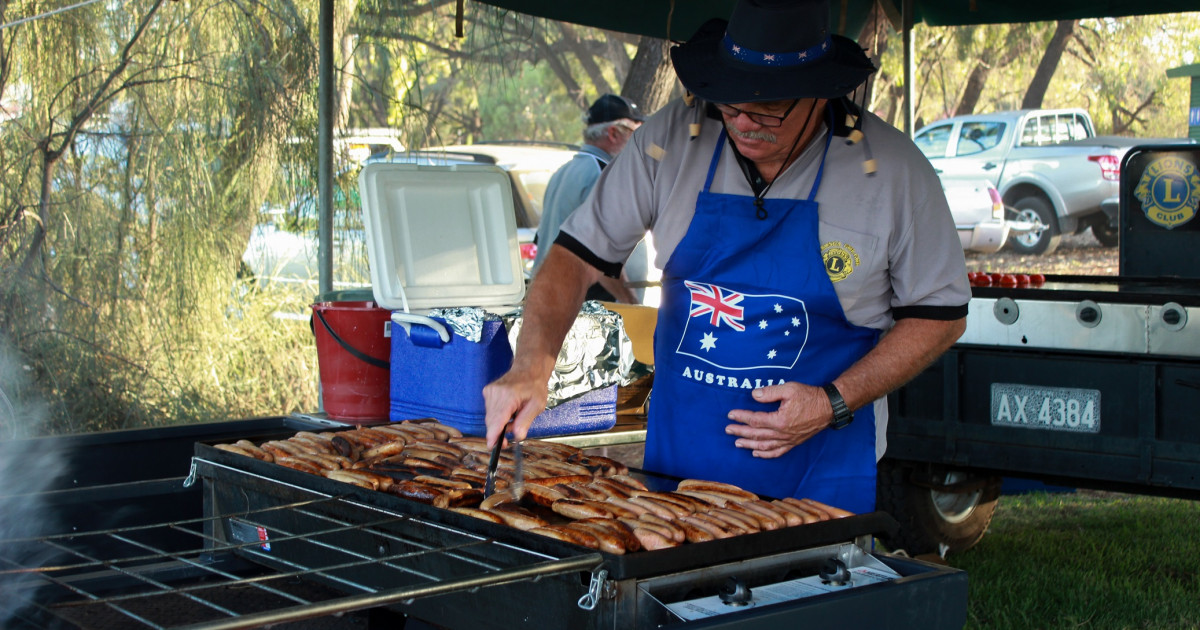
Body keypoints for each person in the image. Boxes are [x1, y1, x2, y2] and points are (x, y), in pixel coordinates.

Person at [484, 0, 970, 515]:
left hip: (818, 470)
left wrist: (832, 402)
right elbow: (573, 258)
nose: (742, 123)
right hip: (679, 470)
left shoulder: (892, 171)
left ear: (820, 93)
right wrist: (532, 364)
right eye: (728, 104)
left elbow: (940, 317)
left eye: (766, 110)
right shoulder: (671, 141)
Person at [533, 94, 648, 304]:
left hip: (565, 302)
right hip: (592, 311)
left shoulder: (564, 171)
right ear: (613, 133)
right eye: (635, 132)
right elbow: (600, 256)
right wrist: (631, 302)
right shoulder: (602, 175)